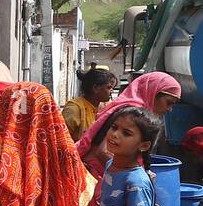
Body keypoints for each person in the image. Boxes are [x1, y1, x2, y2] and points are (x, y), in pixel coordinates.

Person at [76, 71, 181, 199]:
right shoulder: (132, 113)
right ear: (153, 93)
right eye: (168, 102)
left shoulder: (135, 112)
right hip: (97, 182)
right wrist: (131, 179)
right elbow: (103, 152)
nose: (169, 109)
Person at [62, 66, 116, 142]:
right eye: (109, 88)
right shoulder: (74, 109)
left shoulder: (106, 106)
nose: (112, 91)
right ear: (95, 88)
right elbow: (62, 139)